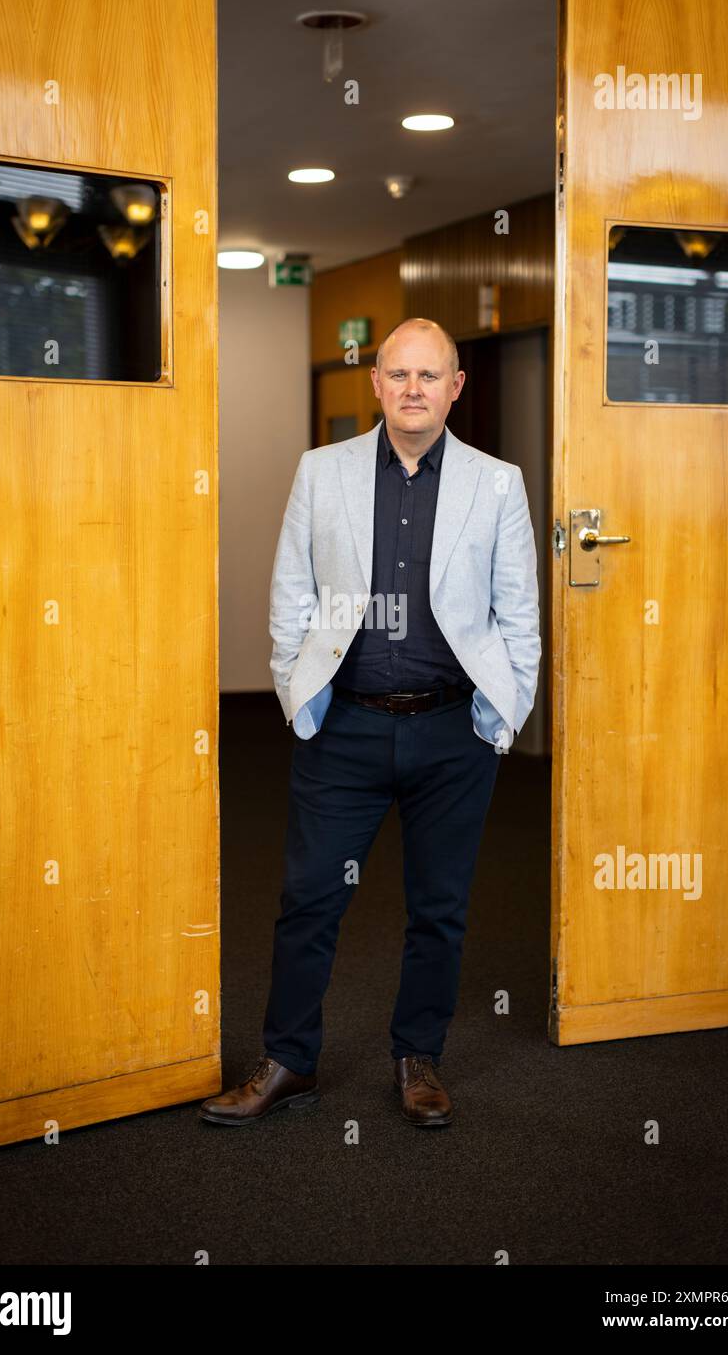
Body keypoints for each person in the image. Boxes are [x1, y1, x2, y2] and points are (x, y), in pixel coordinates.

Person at [200, 317, 540, 1128]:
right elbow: (292, 589)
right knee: (309, 898)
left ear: (455, 387)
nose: (413, 390)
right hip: (345, 728)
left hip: (453, 731)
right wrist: (293, 687)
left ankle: (417, 1059)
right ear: (376, 383)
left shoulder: (497, 482)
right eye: (398, 375)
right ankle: (288, 1061)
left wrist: (505, 715)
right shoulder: (323, 471)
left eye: (430, 376)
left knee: (439, 906)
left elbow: (517, 613)